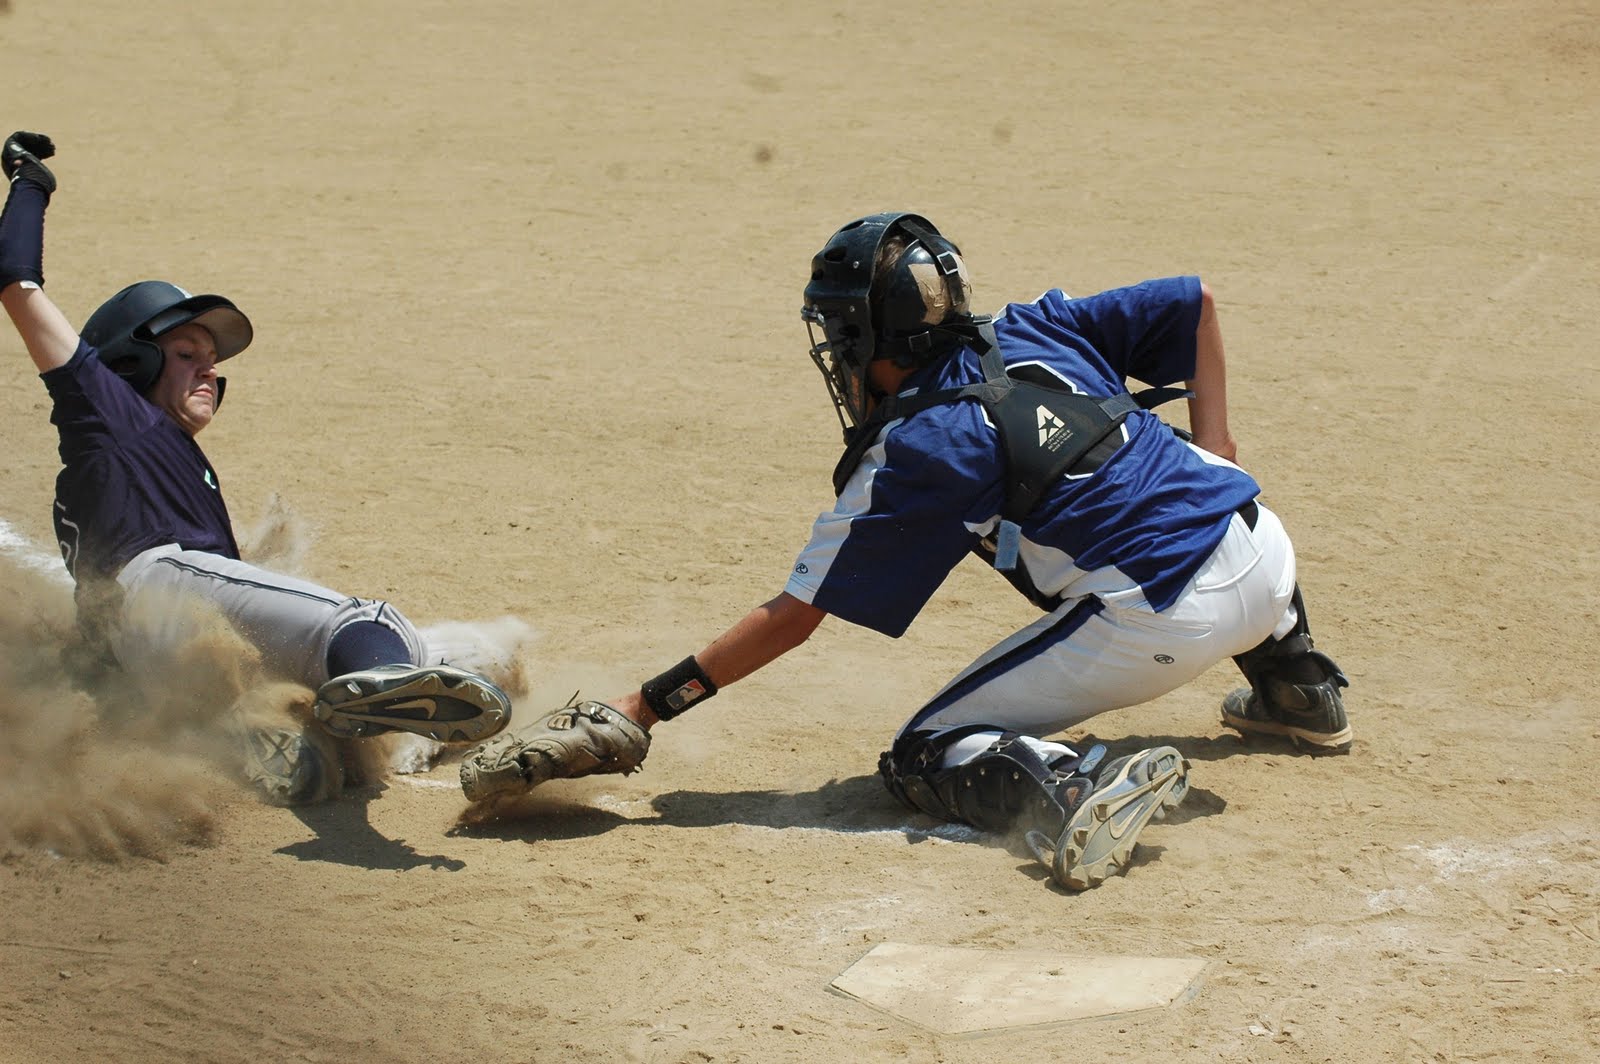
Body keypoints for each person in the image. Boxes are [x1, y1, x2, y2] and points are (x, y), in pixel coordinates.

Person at [459, 211, 1350, 891]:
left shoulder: (918, 448)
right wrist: (1218, 448)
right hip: (1263, 547)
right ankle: (1297, 682)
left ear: (866, 341)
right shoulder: (1031, 326)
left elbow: (795, 617)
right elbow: (1194, 302)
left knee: (925, 750)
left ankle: (1074, 786)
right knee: (1185, 486)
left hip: (1162, 617)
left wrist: (645, 709)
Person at [0, 131, 512, 805]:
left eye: (210, 356)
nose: (209, 367)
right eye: (186, 352)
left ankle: (271, 742)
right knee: (371, 626)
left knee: (312, 703)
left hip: (148, 652)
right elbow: (15, 279)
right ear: (131, 364)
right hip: (163, 589)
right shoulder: (108, 408)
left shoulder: (158, 452)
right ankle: (376, 700)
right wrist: (30, 181)